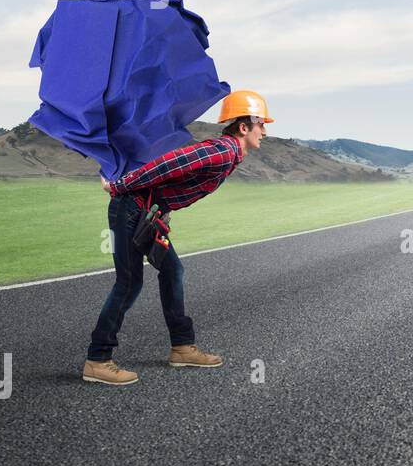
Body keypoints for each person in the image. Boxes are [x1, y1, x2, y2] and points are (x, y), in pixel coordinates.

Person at [81, 90, 274, 386]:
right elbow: (170, 164)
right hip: (131, 207)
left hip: (146, 212)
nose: (265, 130)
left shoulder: (230, 154)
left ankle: (182, 348)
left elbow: (174, 180)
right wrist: (120, 187)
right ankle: (98, 359)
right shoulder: (222, 150)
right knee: (129, 282)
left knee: (173, 271)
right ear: (244, 127)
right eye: (261, 123)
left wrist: (162, 212)